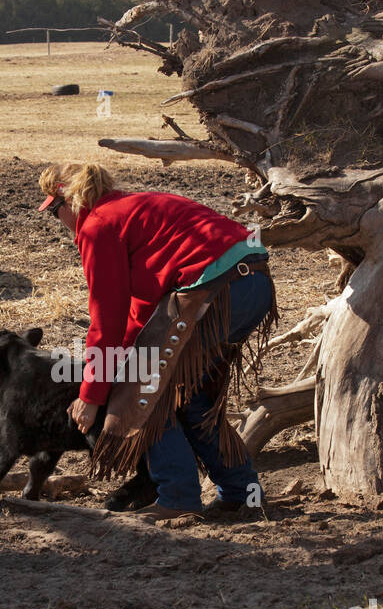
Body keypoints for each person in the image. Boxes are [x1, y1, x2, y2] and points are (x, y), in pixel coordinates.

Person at [38, 162, 276, 521]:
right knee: (193, 398)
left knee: (146, 389)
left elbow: (107, 321)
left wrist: (91, 394)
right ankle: (243, 496)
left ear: (69, 201)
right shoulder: (133, 208)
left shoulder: (97, 225)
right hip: (252, 285)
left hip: (217, 294)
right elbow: (142, 314)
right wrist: (118, 364)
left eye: (55, 212)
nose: (60, 222)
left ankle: (178, 496)